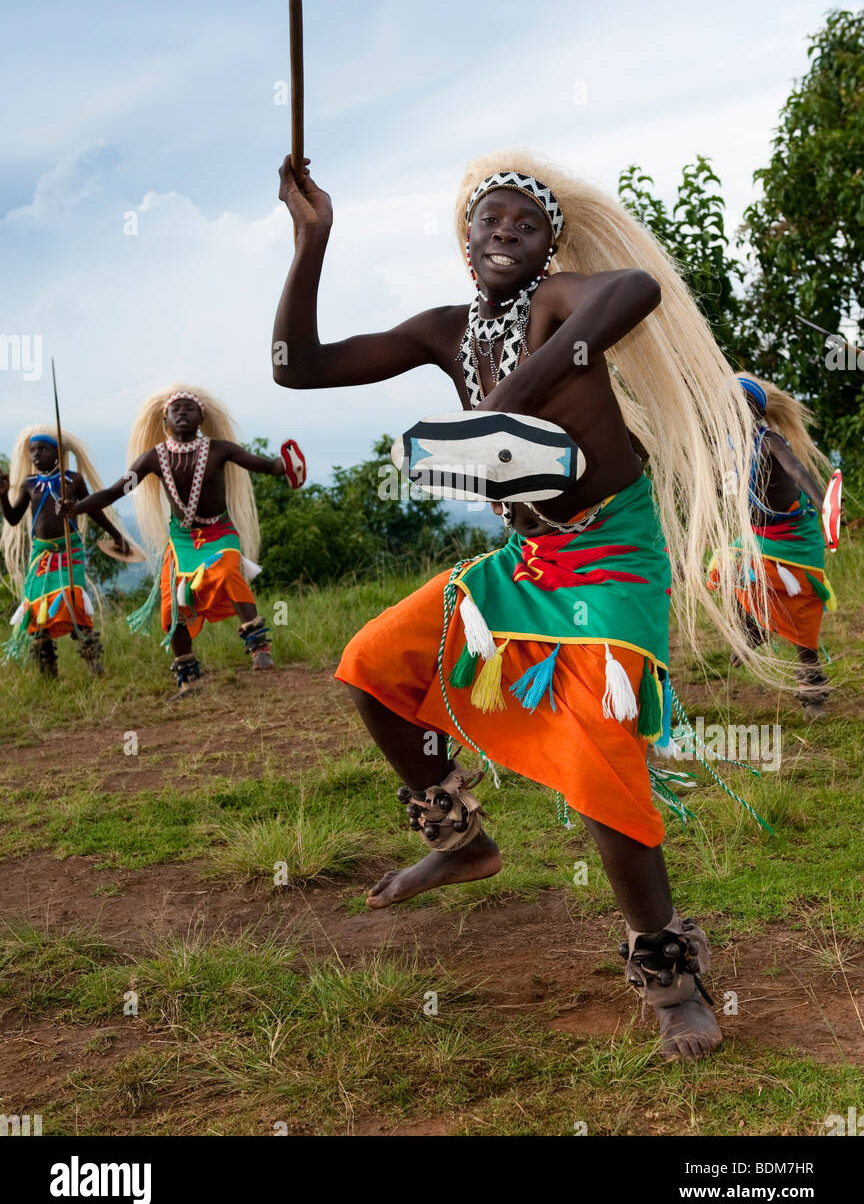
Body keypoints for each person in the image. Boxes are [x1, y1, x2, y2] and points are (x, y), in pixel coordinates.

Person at [272, 149, 771, 1061]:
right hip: (527, 559)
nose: (505, 232)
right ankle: (459, 837)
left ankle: (669, 976)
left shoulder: (560, 304)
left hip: (611, 561)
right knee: (374, 664)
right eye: (489, 221)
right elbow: (296, 369)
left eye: (525, 225)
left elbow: (633, 291)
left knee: (599, 757)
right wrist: (312, 241)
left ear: (548, 250)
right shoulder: (443, 329)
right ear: (467, 243)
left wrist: (502, 399)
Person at [66, 387, 287, 694]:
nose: (182, 413)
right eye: (176, 409)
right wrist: (76, 507)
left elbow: (262, 465)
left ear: (202, 417)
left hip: (219, 533)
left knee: (225, 572)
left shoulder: (220, 449)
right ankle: (188, 674)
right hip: (181, 540)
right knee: (171, 607)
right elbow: (115, 492)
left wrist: (284, 465)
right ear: (165, 419)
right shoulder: (153, 458)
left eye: (189, 408)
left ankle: (259, 647)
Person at [711, 375, 836, 717]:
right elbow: (727, 491)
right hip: (758, 536)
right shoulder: (730, 448)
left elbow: (797, 471)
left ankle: (812, 685)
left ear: (753, 411)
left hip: (795, 537)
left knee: (799, 609)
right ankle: (753, 628)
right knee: (725, 567)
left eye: (733, 406)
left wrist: (824, 504)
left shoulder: (770, 441)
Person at [1, 427, 128, 675]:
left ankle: (94, 664)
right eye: (33, 451)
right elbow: (14, 518)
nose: (36, 455)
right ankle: (47, 672)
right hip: (41, 554)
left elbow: (93, 509)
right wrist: (3, 496)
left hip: (69, 550)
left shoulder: (72, 480)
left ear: (58, 454)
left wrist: (115, 535)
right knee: (36, 608)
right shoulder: (29, 484)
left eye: (43, 449)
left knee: (71, 602)